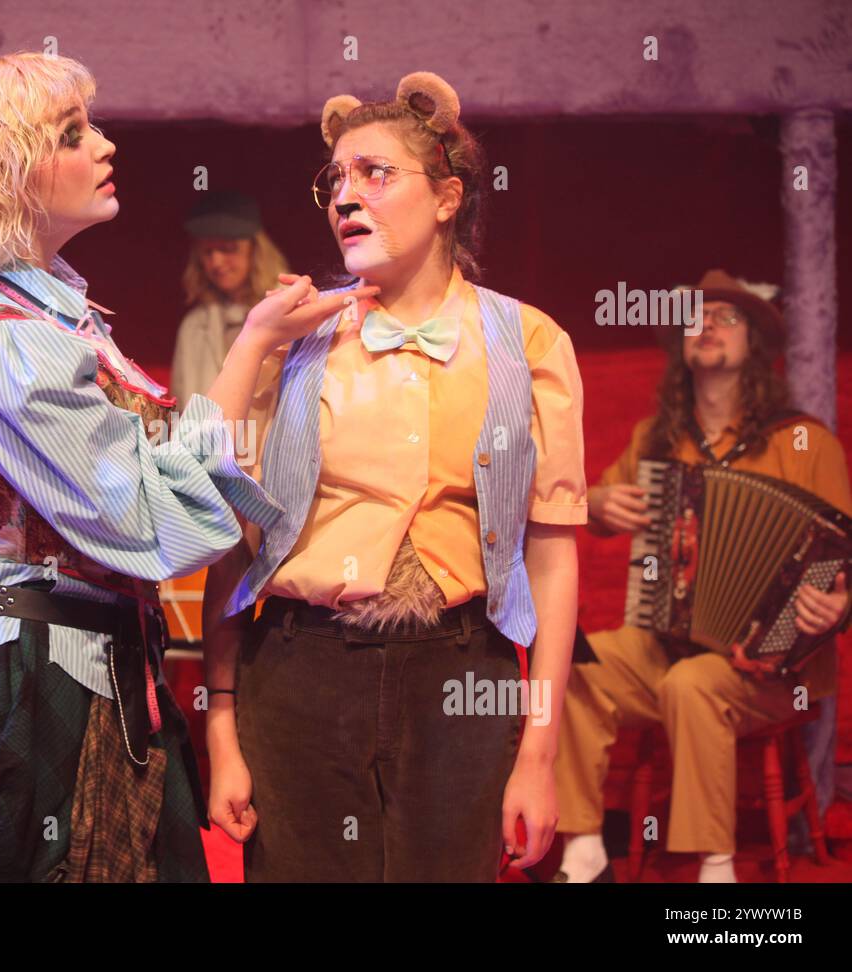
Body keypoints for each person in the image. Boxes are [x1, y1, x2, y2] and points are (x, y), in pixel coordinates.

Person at [0, 51, 375, 883]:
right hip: (31, 675)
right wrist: (256, 350)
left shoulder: (40, 304)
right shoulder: (9, 343)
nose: (105, 146)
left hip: (69, 652)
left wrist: (262, 350)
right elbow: (147, 526)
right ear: (9, 178)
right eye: (72, 135)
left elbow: (144, 455)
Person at [202, 70, 587, 882]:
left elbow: (551, 560)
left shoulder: (531, 343)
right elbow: (230, 539)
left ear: (448, 198)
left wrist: (541, 755)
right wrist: (221, 725)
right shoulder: (295, 336)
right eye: (335, 179)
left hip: (461, 674)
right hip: (300, 674)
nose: (346, 196)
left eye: (375, 174)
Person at [553, 269, 852, 883]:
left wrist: (839, 607)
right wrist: (601, 505)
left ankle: (716, 867)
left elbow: (842, 558)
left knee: (693, 684)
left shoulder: (802, 441)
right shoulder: (656, 440)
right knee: (575, 663)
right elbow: (600, 504)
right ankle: (583, 846)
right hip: (666, 645)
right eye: (695, 317)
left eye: (727, 317)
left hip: (773, 667)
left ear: (756, 348)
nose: (706, 325)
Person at [170, 192, 289, 407]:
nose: (216, 262)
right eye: (207, 252)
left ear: (256, 251)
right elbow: (181, 408)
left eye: (227, 249)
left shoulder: (288, 308)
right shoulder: (194, 325)